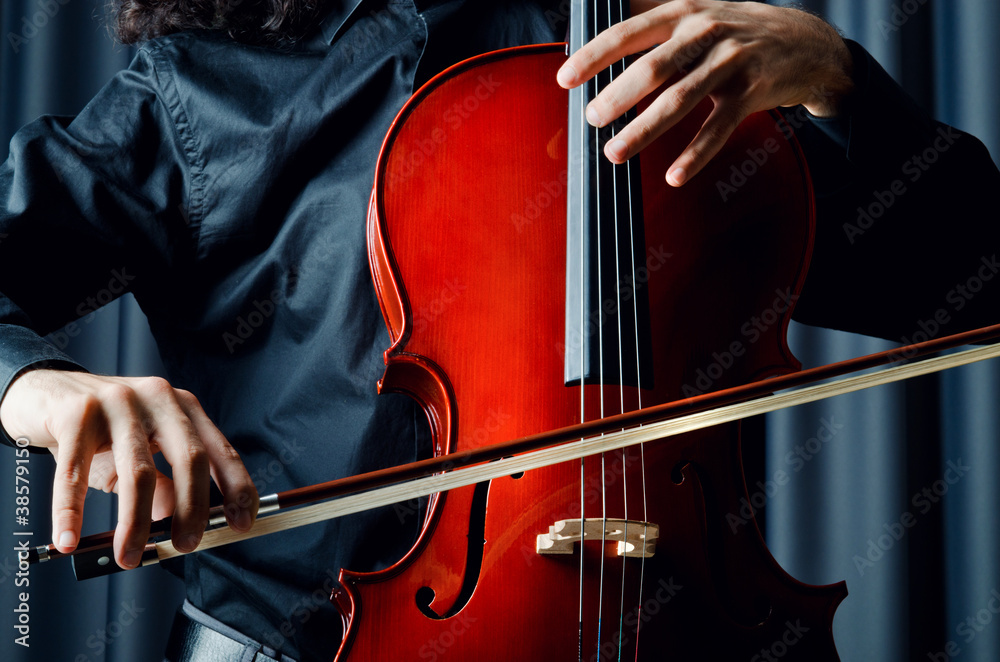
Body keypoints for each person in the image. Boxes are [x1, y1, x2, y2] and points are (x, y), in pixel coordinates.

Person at [0, 0, 997, 659]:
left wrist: (845, 85)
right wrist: (44, 385)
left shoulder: (661, 85)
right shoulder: (208, 87)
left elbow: (968, 286)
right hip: (291, 640)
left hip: (688, 622)